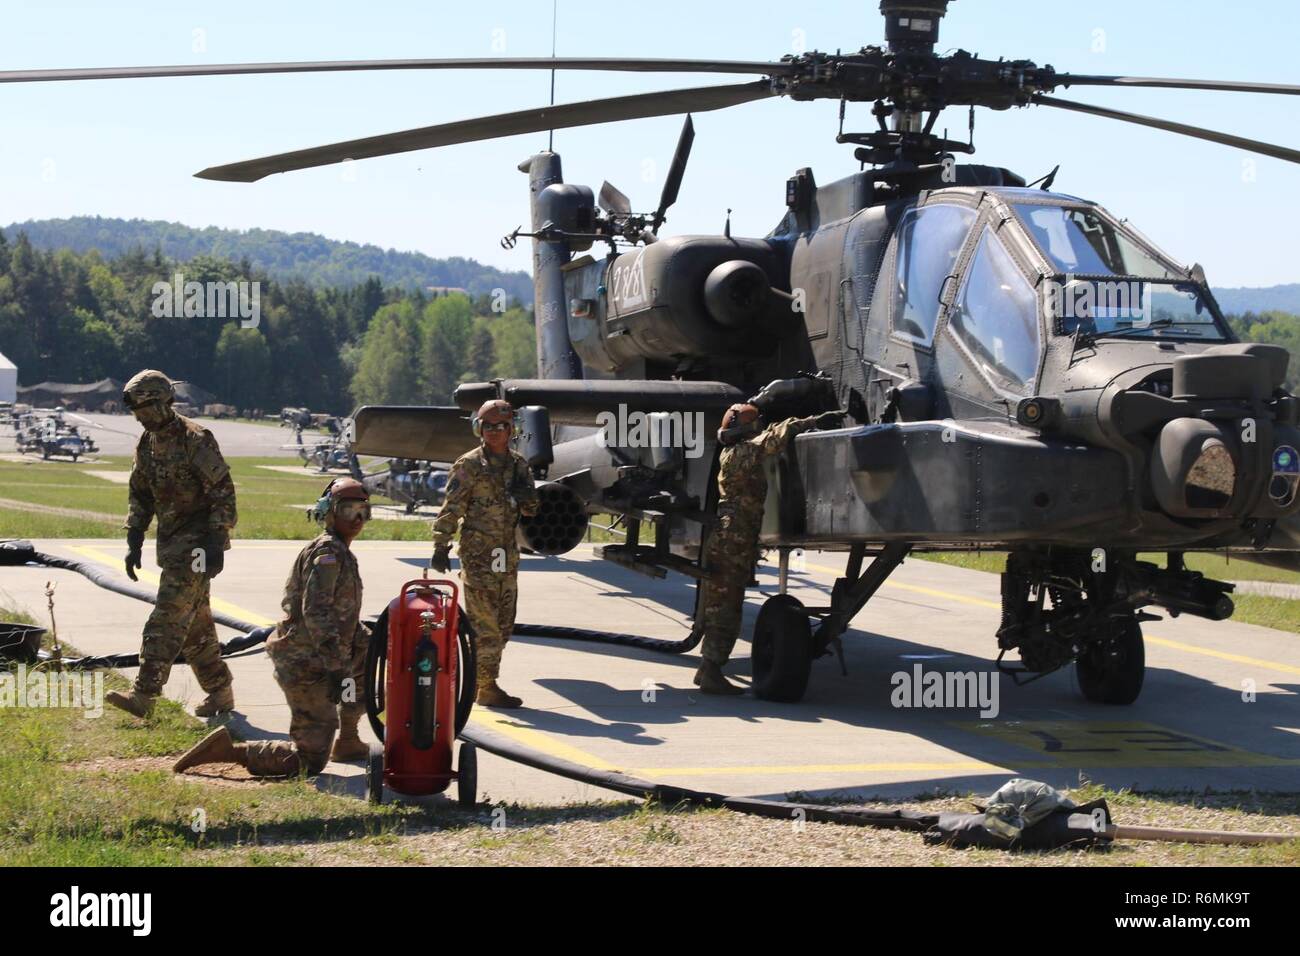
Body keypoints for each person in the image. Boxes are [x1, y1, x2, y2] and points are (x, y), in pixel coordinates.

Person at [172, 478, 373, 776]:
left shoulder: (341, 552)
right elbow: (316, 614)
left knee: (369, 666)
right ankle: (227, 751)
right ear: (329, 513)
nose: (356, 519)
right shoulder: (328, 556)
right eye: (348, 510)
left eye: (363, 512)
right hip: (306, 663)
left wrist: (370, 643)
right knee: (309, 762)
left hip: (326, 654)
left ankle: (346, 739)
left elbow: (341, 616)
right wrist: (336, 669)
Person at [105, 370, 238, 719]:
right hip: (171, 544)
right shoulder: (145, 444)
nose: (139, 416)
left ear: (163, 402)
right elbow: (140, 493)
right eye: (136, 411)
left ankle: (144, 694)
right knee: (196, 628)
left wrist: (215, 541)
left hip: (196, 546)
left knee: (167, 617)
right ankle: (220, 693)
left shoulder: (196, 439)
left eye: (144, 409)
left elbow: (223, 492)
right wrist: (134, 536)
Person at [694, 403, 844, 694]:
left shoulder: (734, 452)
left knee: (722, 605)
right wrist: (809, 420)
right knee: (726, 608)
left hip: (732, 539)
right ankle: (712, 672)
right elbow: (773, 439)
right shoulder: (741, 453)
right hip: (732, 541)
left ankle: (708, 668)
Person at [431, 399, 538, 708]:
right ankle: (486, 687)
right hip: (479, 557)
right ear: (479, 429)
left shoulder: (519, 465)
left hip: (507, 558)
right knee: (485, 627)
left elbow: (531, 511)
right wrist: (441, 545)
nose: (495, 432)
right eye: (489, 426)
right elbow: (451, 507)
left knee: (504, 624)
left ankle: (485, 681)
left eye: (502, 427)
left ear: (511, 429)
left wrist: (526, 494)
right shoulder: (469, 465)